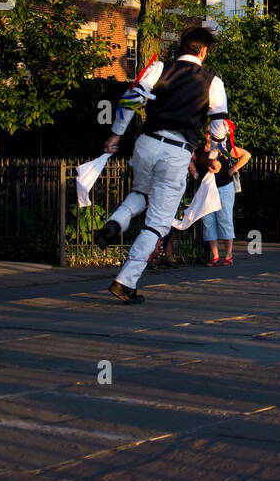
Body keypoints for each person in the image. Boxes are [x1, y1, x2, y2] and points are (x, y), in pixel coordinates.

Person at [95, 27, 229, 303]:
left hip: (146, 142)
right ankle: (125, 281)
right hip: (177, 151)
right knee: (157, 223)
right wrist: (214, 156)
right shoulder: (212, 82)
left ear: (182, 47)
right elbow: (219, 126)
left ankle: (115, 222)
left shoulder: (158, 68)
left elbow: (131, 98)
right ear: (203, 51)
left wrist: (116, 134)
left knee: (141, 193)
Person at [200, 139, 251, 266]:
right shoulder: (200, 149)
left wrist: (234, 168)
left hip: (224, 187)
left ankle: (228, 255)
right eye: (208, 132)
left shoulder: (225, 148)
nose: (210, 135)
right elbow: (192, 161)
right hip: (206, 189)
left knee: (224, 219)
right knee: (208, 221)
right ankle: (215, 256)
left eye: (212, 132)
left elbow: (246, 155)